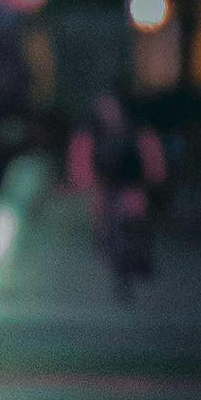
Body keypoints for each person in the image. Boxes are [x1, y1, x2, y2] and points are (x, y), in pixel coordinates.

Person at [68, 86, 164, 289]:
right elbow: (81, 160)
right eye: (102, 108)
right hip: (107, 188)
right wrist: (84, 183)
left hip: (132, 185)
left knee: (134, 224)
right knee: (110, 228)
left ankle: (136, 260)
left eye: (110, 107)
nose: (106, 112)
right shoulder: (90, 134)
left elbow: (151, 157)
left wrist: (154, 178)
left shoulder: (137, 131)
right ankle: (118, 263)